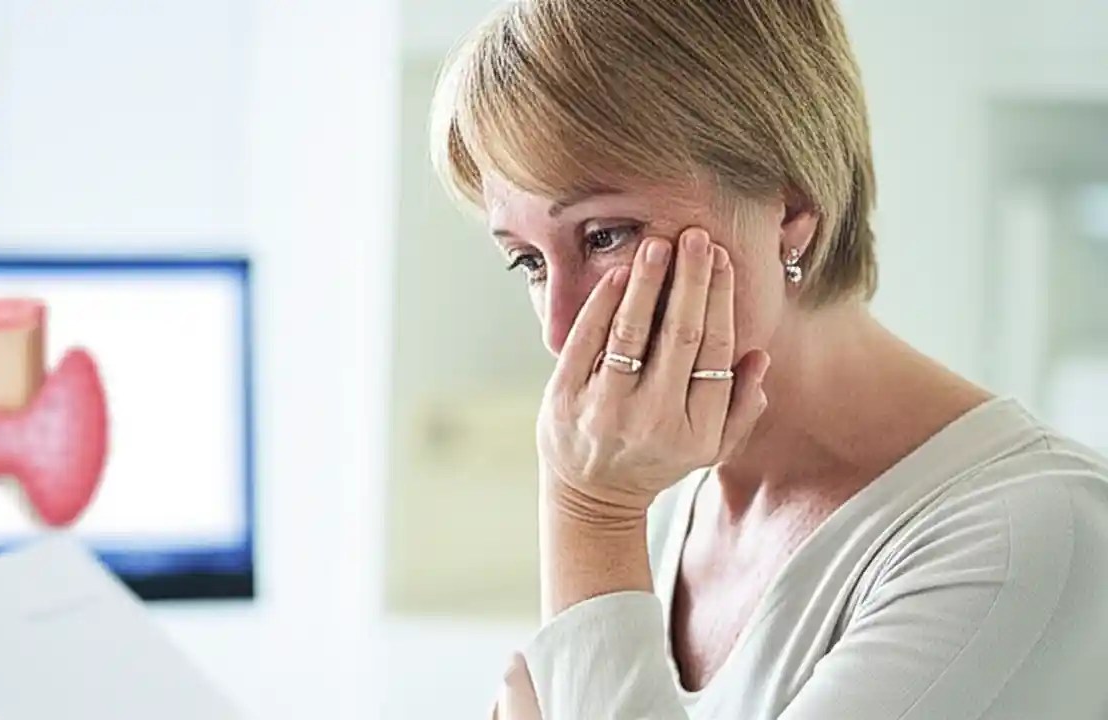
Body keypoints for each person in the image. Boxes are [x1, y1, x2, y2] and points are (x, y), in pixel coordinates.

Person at [428, 1, 1108, 718]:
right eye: (528, 262)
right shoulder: (671, 508)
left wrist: (588, 513)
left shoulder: (1024, 541)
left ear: (788, 210)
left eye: (605, 236)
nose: (560, 332)